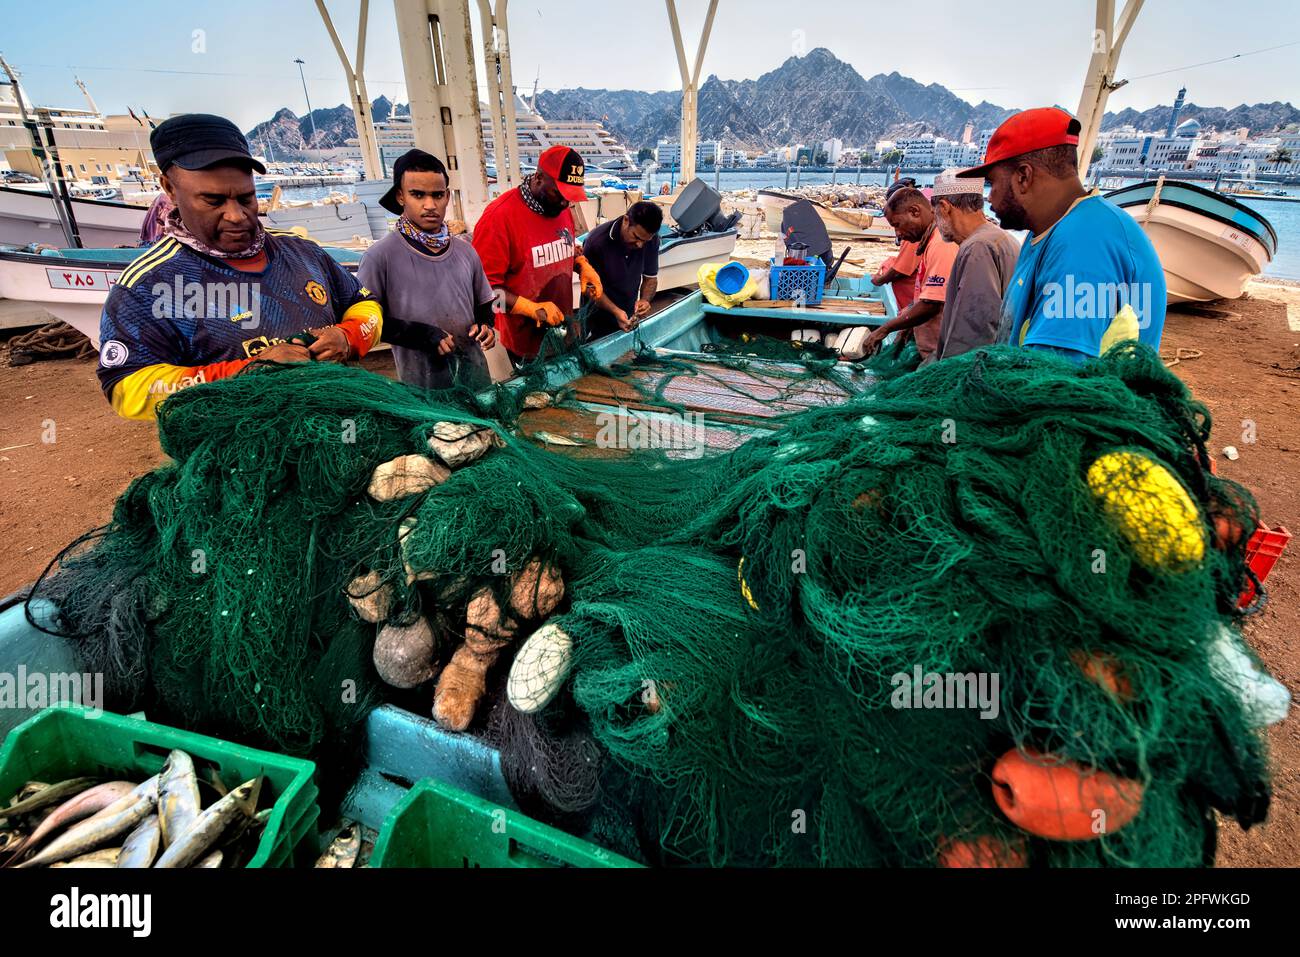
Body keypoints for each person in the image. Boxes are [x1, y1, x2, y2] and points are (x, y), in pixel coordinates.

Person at [97, 113, 383, 421]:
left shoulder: (303, 252)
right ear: (169, 188)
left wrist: (348, 336)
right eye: (213, 201)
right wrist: (247, 372)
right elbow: (126, 387)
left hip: (339, 430)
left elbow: (364, 304)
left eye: (246, 198)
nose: (236, 215)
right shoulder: (147, 286)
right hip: (235, 454)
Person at [955, 107, 1166, 361]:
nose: (990, 197)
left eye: (993, 182)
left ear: (1023, 176)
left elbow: (1056, 381)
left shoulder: (1084, 244)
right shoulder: (1048, 233)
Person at [357, 149, 497, 390]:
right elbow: (367, 323)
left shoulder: (466, 250)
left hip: (476, 379)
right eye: (418, 195)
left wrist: (486, 326)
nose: (430, 205)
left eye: (437, 195)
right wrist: (421, 335)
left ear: (447, 197)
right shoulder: (379, 256)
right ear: (401, 197)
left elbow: (486, 304)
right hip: (423, 387)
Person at [471, 145, 603, 362]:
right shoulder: (499, 218)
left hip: (563, 331)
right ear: (539, 177)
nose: (564, 203)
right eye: (558, 194)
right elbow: (484, 293)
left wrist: (582, 265)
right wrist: (529, 308)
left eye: (569, 197)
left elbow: (568, 245)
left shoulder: (559, 208)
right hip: (525, 344)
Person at [928, 169, 1021, 362]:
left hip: (978, 368)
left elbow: (974, 327)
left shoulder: (978, 247)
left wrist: (949, 377)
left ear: (944, 207)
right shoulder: (999, 238)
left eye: (935, 213)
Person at [862, 186, 959, 361]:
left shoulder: (941, 244)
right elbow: (926, 295)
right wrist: (908, 325)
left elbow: (932, 304)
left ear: (915, 211)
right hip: (931, 350)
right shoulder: (929, 240)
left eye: (897, 225)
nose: (898, 234)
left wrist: (885, 329)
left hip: (943, 354)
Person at [580, 200, 662, 338]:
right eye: (636, 237)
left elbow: (650, 278)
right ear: (626, 220)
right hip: (595, 315)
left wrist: (645, 300)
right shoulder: (596, 242)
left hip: (628, 314)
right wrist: (615, 311)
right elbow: (590, 288)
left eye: (645, 241)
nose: (640, 245)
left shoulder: (651, 240)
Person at [870, 178, 920, 312]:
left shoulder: (914, 235)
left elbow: (901, 270)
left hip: (912, 303)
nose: (898, 232)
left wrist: (879, 280)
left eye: (897, 225)